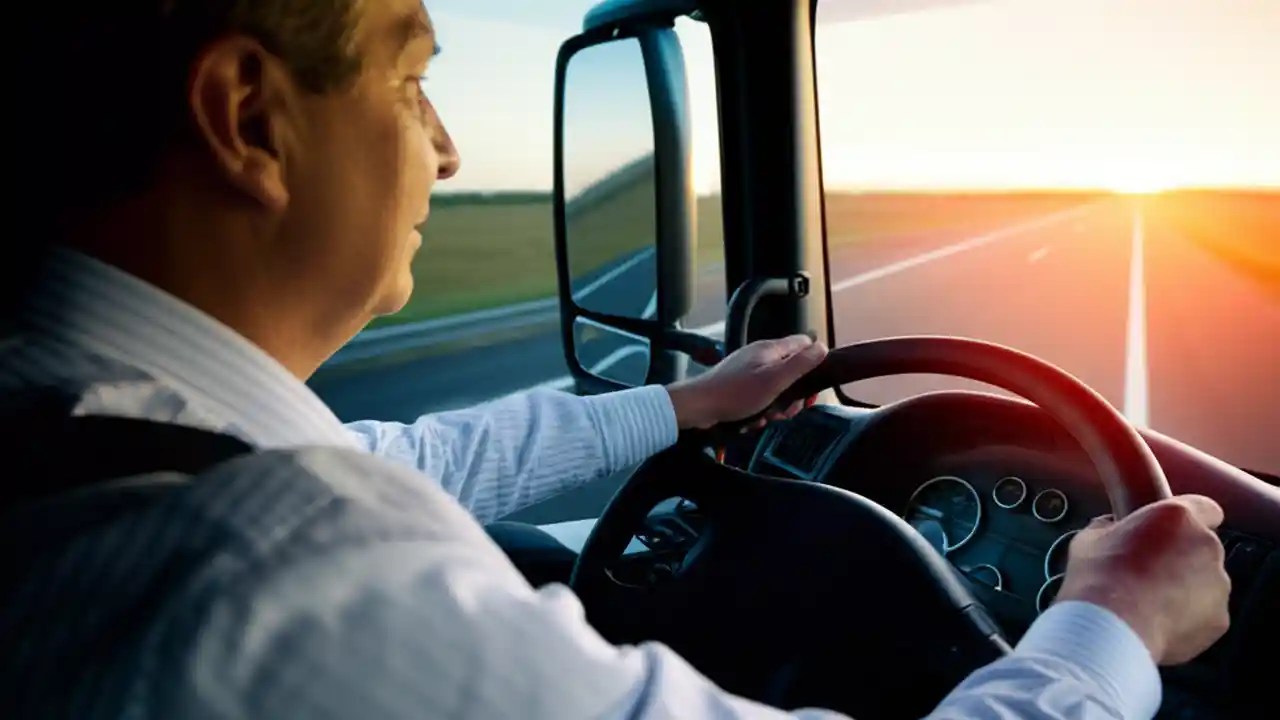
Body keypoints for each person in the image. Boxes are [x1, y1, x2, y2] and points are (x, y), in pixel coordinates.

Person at [0, 1, 1230, 718]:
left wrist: (683, 403)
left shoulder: (88, 433)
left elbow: (397, 456)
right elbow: (332, 491)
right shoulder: (267, 576)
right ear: (248, 118)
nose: (443, 152)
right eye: (413, 82)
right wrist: (1110, 620)